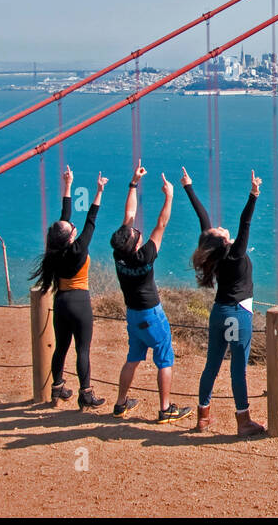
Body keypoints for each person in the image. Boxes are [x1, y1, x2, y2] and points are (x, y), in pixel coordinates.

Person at [183, 166, 266, 437]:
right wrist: (253, 194)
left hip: (219, 312)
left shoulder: (216, 255)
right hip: (236, 314)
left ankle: (203, 416)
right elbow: (245, 223)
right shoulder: (234, 254)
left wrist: (188, 186)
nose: (217, 225)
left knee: (212, 365)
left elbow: (203, 218)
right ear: (222, 241)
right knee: (237, 368)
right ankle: (243, 421)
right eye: (217, 230)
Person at [109, 164, 192, 424]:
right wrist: (170, 196)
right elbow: (162, 222)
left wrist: (134, 182)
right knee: (165, 360)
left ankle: (121, 404)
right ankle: (165, 408)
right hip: (151, 315)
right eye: (136, 235)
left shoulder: (119, 252)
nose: (137, 231)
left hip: (133, 315)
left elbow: (129, 214)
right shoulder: (145, 256)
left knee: (133, 359)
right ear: (136, 245)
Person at [28, 165, 107, 410]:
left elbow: (65, 219)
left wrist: (68, 186)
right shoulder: (78, 249)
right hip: (79, 302)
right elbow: (91, 220)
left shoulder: (54, 249)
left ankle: (57, 387)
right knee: (82, 349)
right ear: (71, 237)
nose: (72, 225)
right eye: (71, 228)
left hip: (60, 302)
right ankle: (86, 393)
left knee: (61, 347)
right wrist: (99, 191)